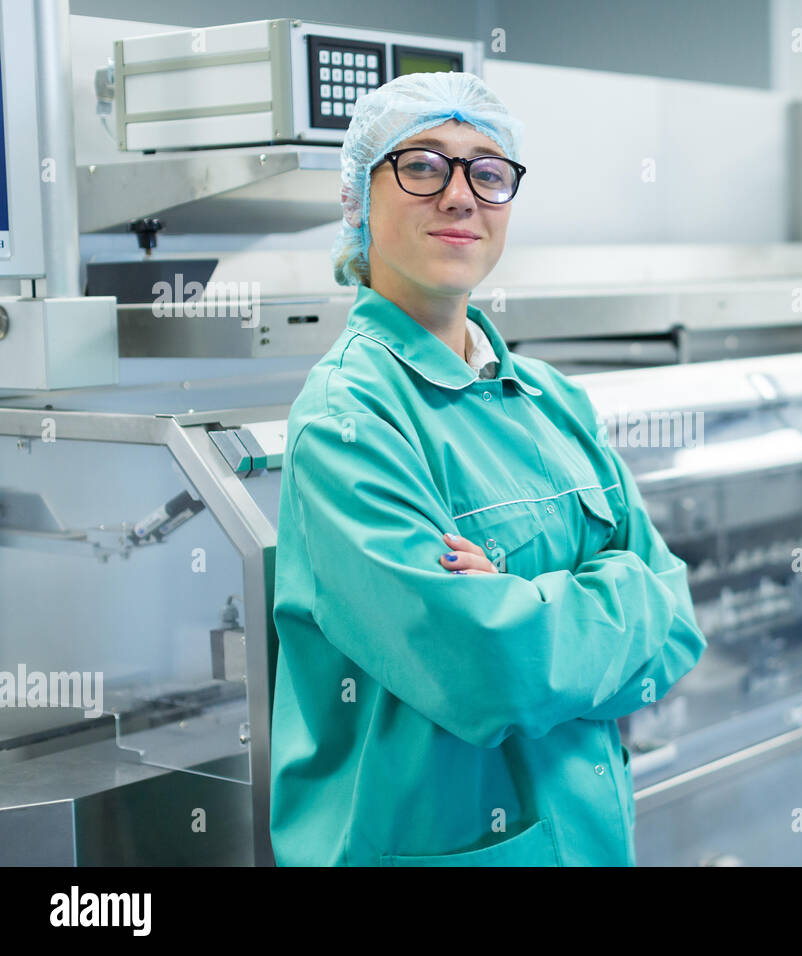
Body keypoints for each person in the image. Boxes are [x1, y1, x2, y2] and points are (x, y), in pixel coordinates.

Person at [269, 71, 707, 866]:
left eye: (487, 170)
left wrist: (531, 603)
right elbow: (486, 671)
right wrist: (617, 591)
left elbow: (676, 622)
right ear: (358, 202)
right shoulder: (350, 421)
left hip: (593, 839)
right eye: (424, 165)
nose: (460, 195)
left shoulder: (550, 398)